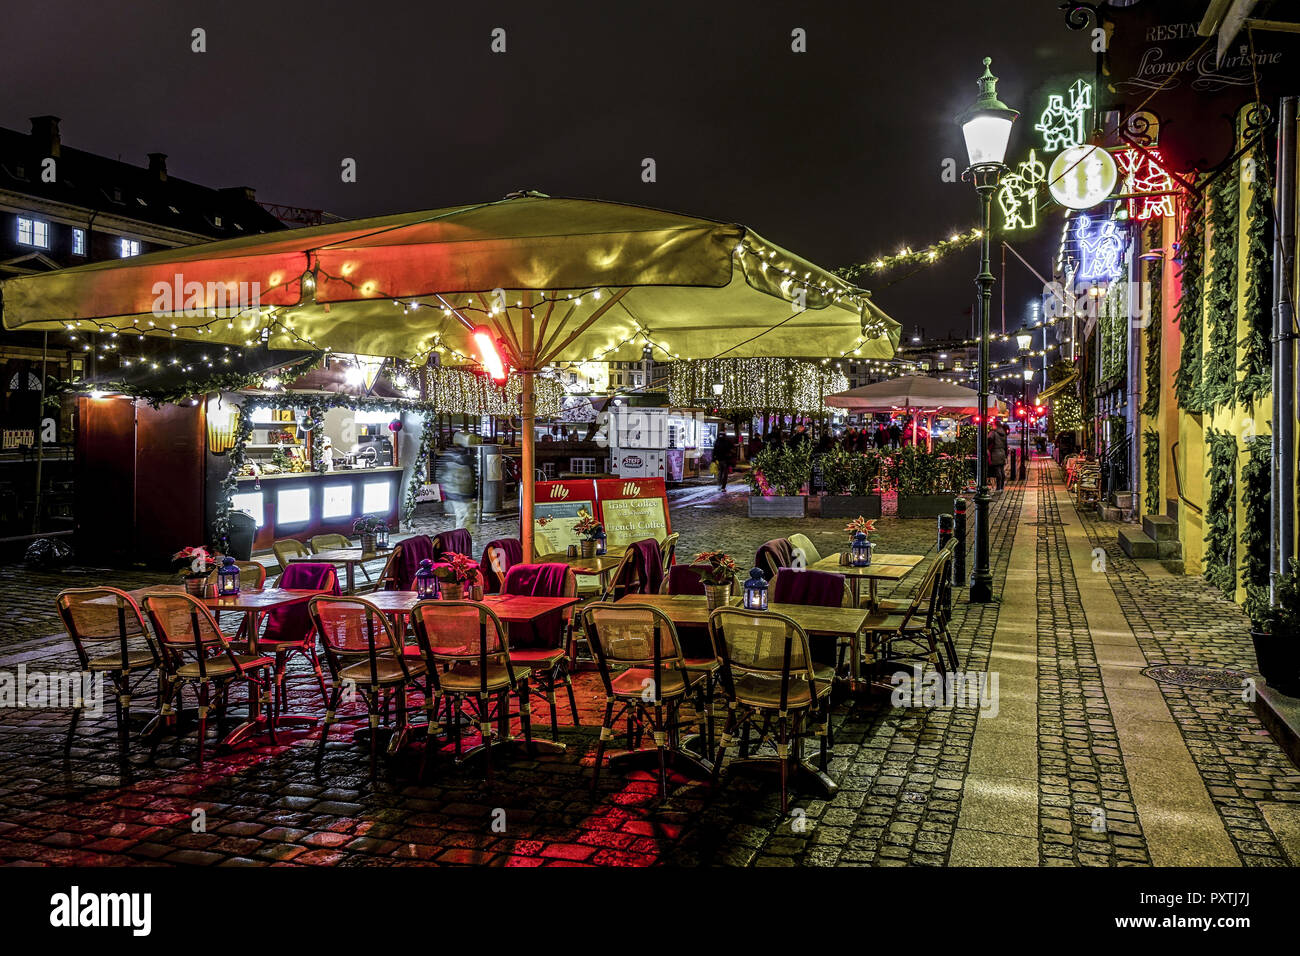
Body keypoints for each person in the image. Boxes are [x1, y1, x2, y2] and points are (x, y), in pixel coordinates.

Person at [988, 422, 1009, 491]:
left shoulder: (993, 433)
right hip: (1002, 453)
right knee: (1001, 470)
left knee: (997, 471)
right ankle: (1001, 487)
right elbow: (1006, 445)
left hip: (995, 452)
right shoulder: (1003, 433)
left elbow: (989, 439)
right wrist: (1006, 454)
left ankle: (998, 487)